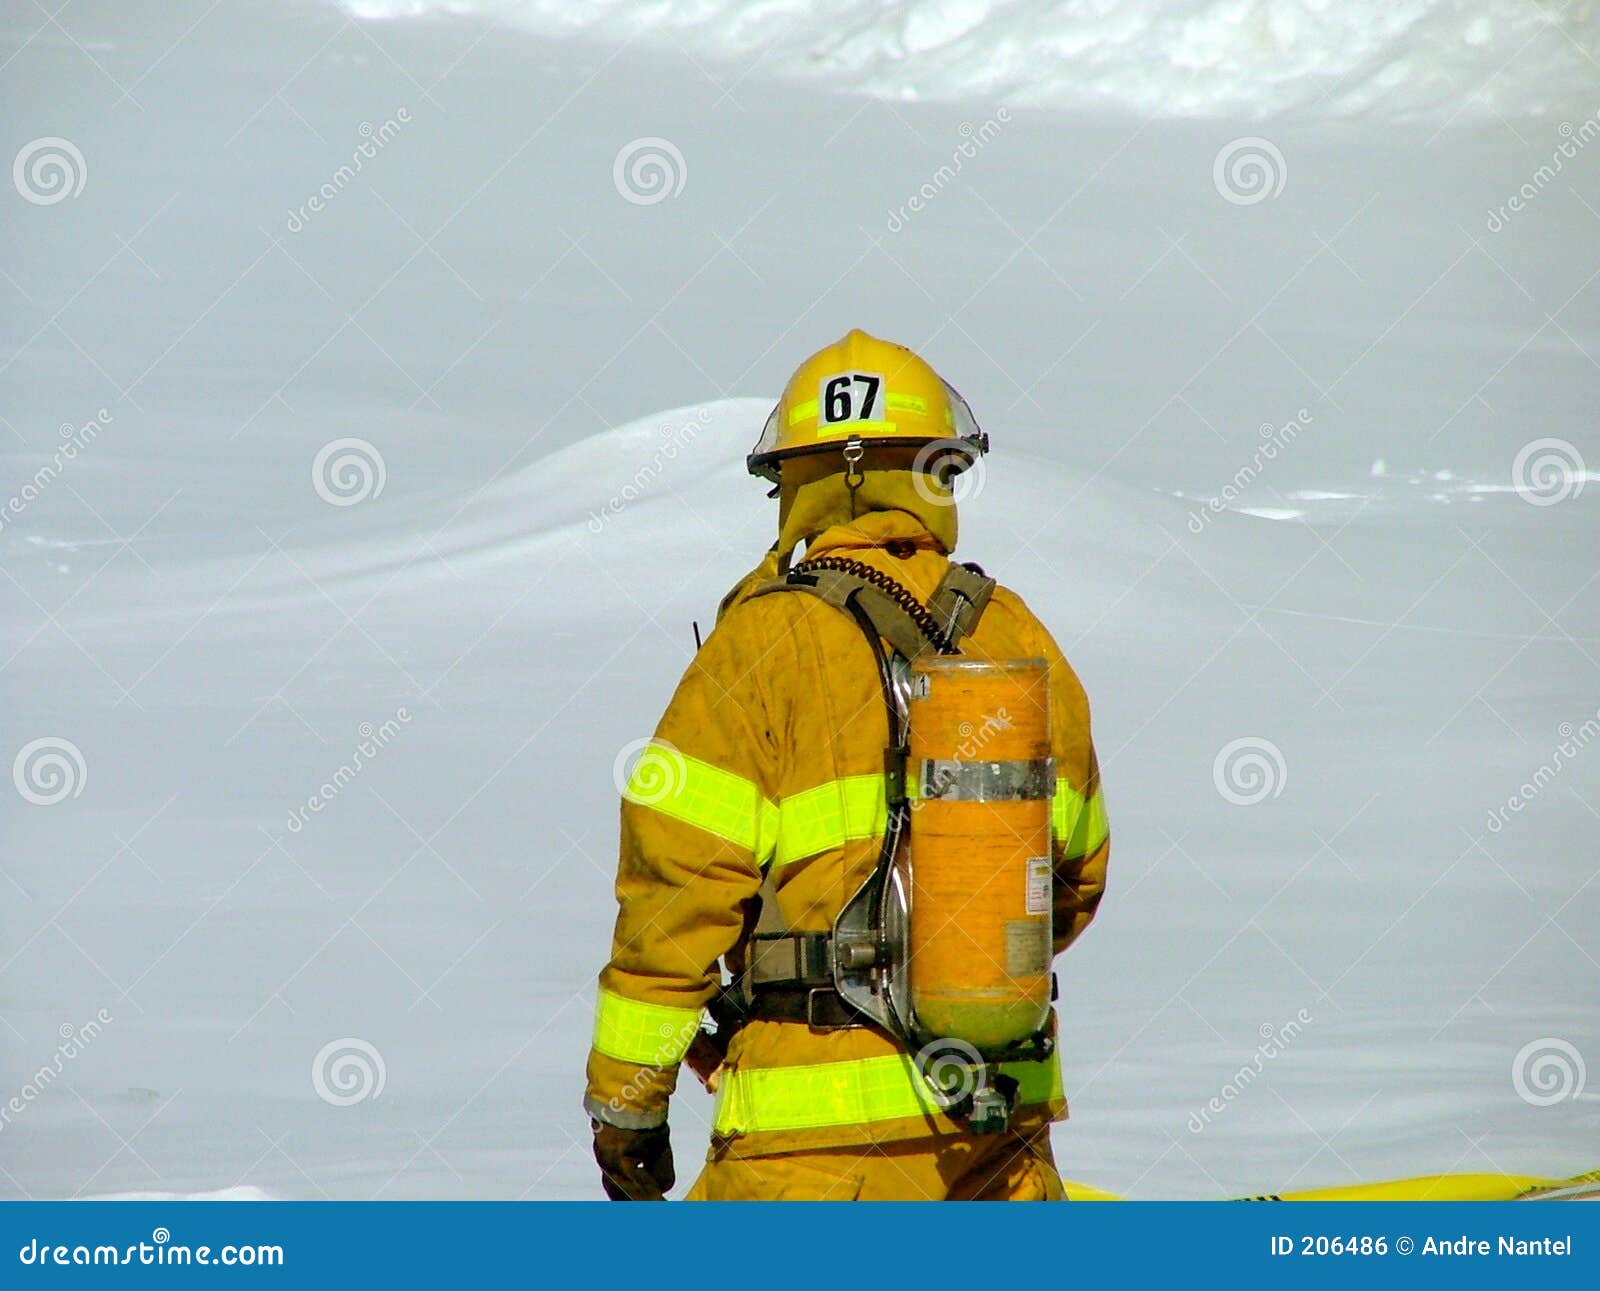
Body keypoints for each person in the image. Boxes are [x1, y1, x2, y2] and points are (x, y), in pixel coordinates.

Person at [584, 329, 1109, 1201]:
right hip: (994, 1134)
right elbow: (1074, 873)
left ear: (796, 483)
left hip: (806, 1155)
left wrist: (628, 1104)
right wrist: (952, 968)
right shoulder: (1014, 634)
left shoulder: (758, 645)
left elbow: (675, 896)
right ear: (936, 472)